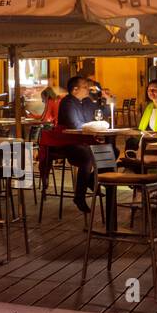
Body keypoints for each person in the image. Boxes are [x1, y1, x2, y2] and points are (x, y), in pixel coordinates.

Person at [53, 75, 107, 213]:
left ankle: (90, 180)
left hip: (84, 140)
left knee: (111, 152)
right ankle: (79, 196)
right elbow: (75, 125)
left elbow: (99, 114)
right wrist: (93, 127)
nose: (88, 88)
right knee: (87, 157)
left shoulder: (86, 101)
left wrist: (104, 100)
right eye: (85, 86)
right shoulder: (68, 103)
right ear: (75, 89)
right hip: (69, 142)